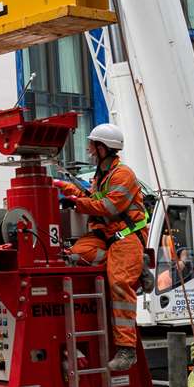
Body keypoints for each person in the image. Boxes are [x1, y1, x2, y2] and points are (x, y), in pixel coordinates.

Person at [55, 123, 149, 372]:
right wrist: (63, 187)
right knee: (74, 253)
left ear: (103, 147)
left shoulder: (122, 174)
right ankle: (137, 267)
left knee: (119, 283)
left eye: (92, 145)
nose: (89, 149)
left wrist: (77, 203)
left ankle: (127, 350)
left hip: (126, 237)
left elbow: (109, 207)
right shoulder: (101, 175)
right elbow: (92, 197)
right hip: (106, 237)